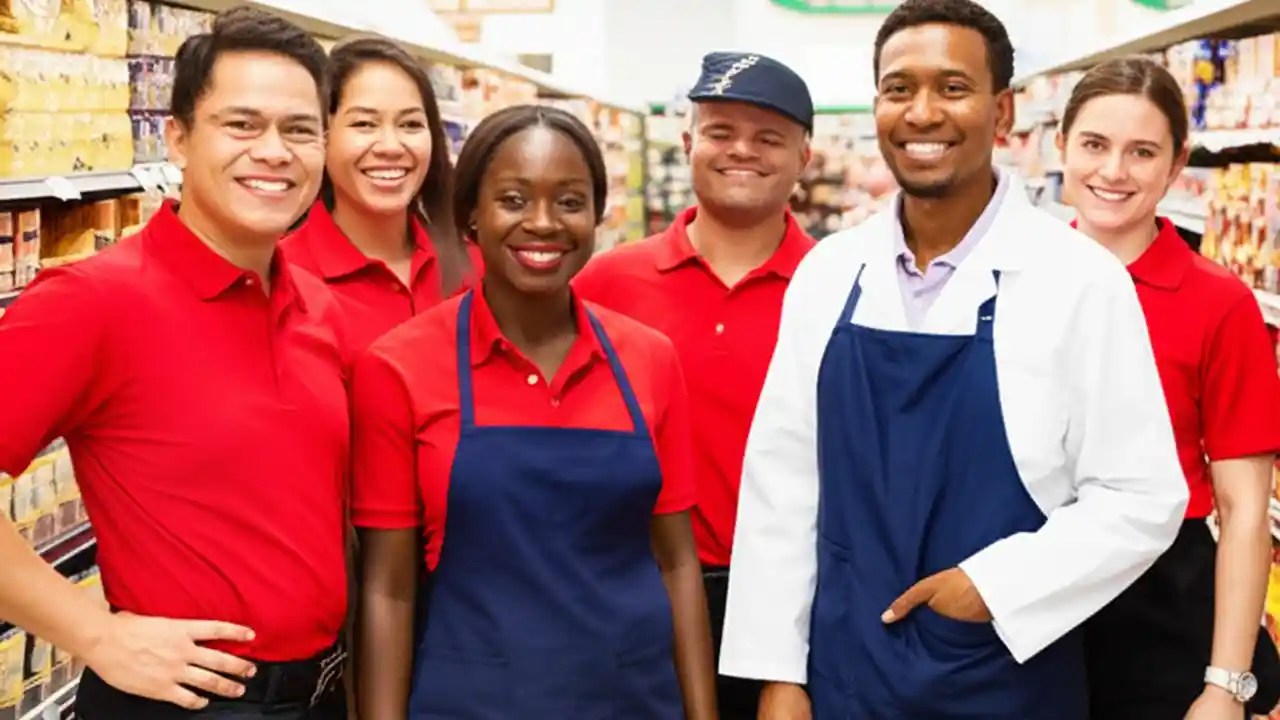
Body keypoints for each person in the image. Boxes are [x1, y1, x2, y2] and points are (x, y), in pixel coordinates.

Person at [718, 0, 1190, 717]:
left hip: (1003, 670)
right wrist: (777, 673)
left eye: (953, 88)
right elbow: (782, 485)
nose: (922, 112)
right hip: (843, 667)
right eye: (898, 88)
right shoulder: (830, 274)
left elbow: (1142, 496)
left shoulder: (1079, 280)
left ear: (1002, 114)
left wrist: (993, 588)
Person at [0, 8, 349, 718]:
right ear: (179, 138)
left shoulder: (315, 304)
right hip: (181, 702)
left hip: (319, 693)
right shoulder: (93, 301)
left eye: (299, 129)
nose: (274, 151)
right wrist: (92, 632)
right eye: (242, 124)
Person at [349, 104, 717, 719]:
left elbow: (678, 562)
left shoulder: (649, 360)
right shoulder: (399, 367)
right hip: (471, 703)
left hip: (633, 699)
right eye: (513, 199)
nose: (543, 223)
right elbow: (388, 590)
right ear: (471, 214)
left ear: (598, 214)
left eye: (570, 202)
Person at [574, 50, 816, 719]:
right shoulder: (603, 285)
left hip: (789, 610)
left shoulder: (837, 289)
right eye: (720, 132)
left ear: (805, 157)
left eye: (768, 137)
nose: (742, 151)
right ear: (687, 145)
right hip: (632, 600)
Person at [1057, 56, 1280, 720]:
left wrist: (1223, 684)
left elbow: (1244, 512)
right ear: (1062, 145)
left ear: (1177, 164)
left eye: (1142, 151)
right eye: (1094, 144)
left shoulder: (1220, 303)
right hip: (1032, 595)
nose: (1113, 171)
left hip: (1159, 603)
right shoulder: (1011, 280)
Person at [280, 35, 478, 353]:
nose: (390, 146)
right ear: (322, 134)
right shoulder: (280, 277)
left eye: (410, 124)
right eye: (364, 124)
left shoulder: (475, 266)